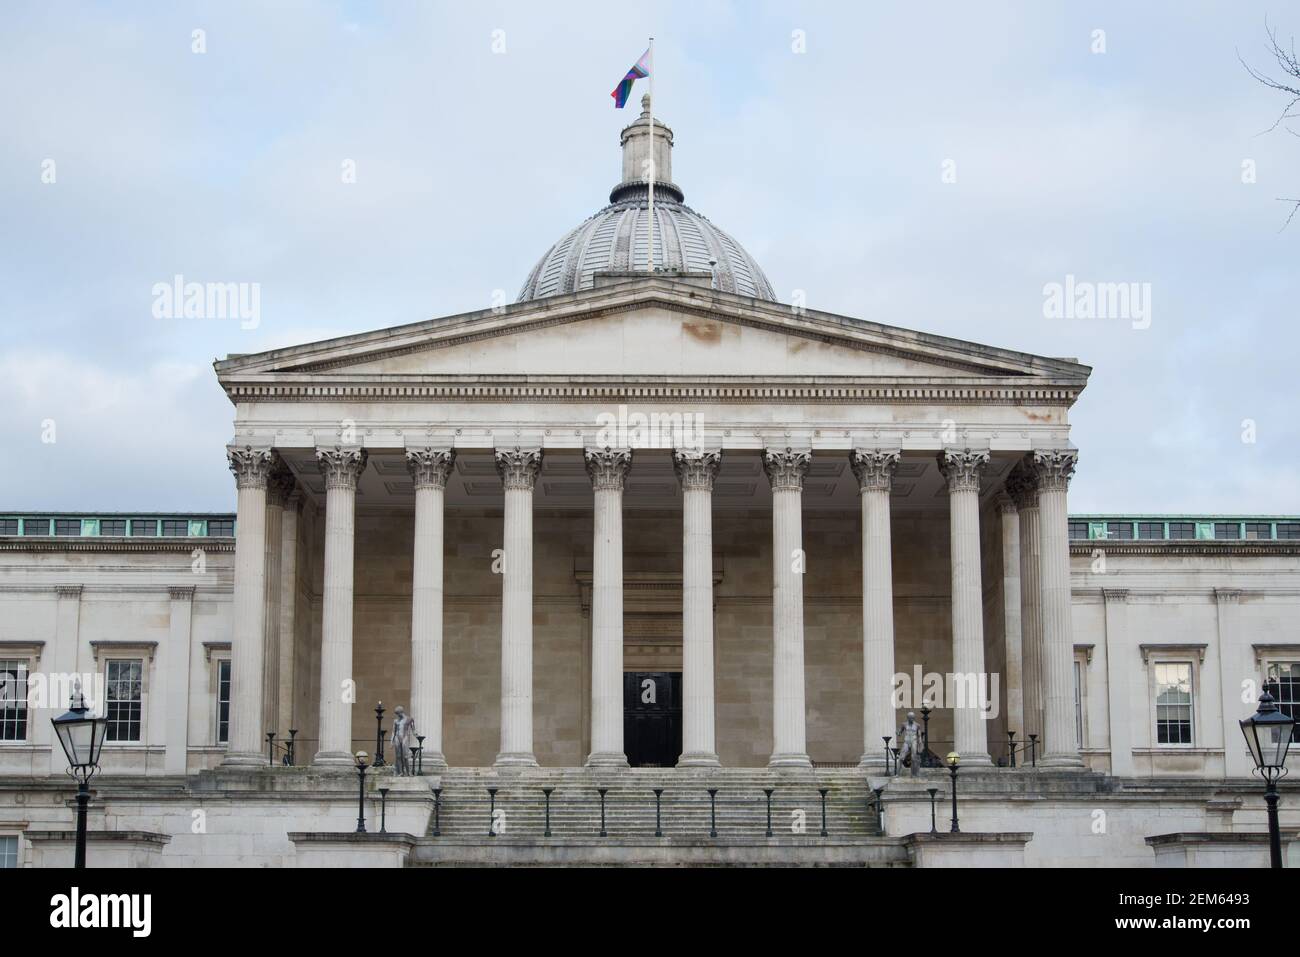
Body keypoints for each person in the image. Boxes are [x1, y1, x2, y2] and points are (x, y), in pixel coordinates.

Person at [391, 706, 417, 776]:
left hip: (405, 737)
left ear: (401, 712)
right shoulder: (396, 721)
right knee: (398, 756)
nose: (397, 715)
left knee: (405, 756)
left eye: (398, 713)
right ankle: (400, 772)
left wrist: (415, 734)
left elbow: (413, 728)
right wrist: (391, 741)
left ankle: (408, 772)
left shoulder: (409, 719)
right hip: (397, 738)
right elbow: (394, 731)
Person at [897, 711, 922, 777]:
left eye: (913, 718)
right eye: (910, 718)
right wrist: (898, 733)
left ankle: (913, 774)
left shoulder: (917, 725)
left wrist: (920, 744)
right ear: (907, 718)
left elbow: (919, 735)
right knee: (901, 758)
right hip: (906, 741)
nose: (911, 719)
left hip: (914, 741)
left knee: (914, 758)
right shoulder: (904, 724)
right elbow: (900, 732)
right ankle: (897, 774)